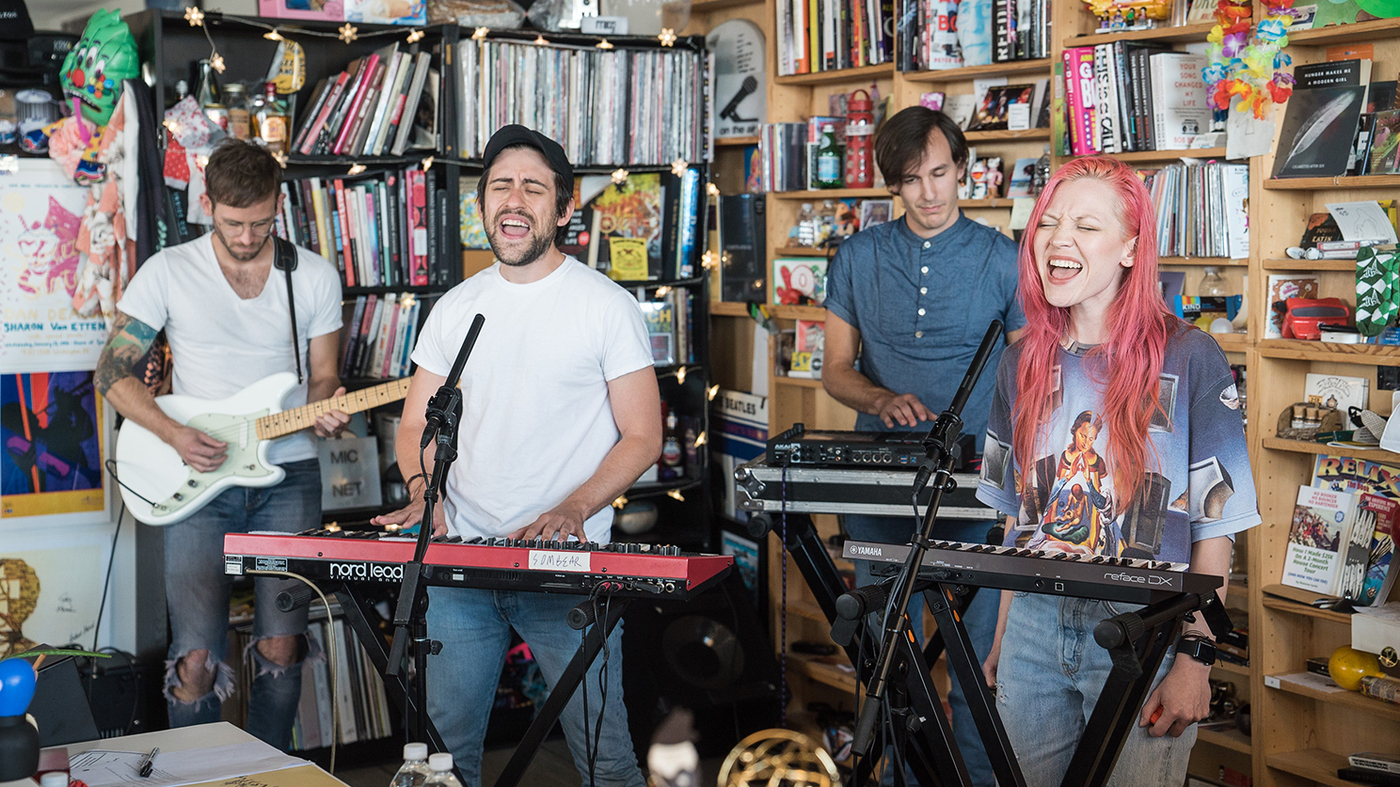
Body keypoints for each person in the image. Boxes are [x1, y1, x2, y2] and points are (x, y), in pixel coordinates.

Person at [373, 125, 659, 787]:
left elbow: (643, 434)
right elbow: (416, 419)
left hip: (567, 567)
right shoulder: (456, 308)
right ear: (483, 206)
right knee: (446, 763)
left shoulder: (607, 307)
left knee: (606, 759)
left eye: (534, 187)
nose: (514, 198)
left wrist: (574, 506)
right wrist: (424, 492)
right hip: (461, 568)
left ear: (564, 208)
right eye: (501, 185)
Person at [976, 156, 1260, 787]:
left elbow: (1217, 531)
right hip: (1033, 625)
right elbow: (1012, 523)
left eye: (1086, 225)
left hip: (1147, 631)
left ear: (1132, 248)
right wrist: (1003, 637)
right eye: (1048, 223)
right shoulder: (1017, 363)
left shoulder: (1192, 356)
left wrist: (1197, 659)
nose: (1059, 239)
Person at [95, 139, 349, 748]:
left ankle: (265, 765)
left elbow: (323, 376)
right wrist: (173, 433)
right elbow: (111, 374)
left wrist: (328, 406)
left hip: (288, 472)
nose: (246, 235)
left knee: (283, 642)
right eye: (234, 223)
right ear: (207, 204)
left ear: (278, 204)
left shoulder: (312, 274)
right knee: (196, 651)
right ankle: (197, 771)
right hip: (198, 479)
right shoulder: (169, 270)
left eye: (261, 221)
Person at [821, 106, 1025, 786]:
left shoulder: (1004, 257)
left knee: (975, 664)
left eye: (941, 173)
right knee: (890, 660)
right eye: (912, 180)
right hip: (880, 482)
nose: (930, 192)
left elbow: (1034, 371)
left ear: (963, 169)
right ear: (894, 186)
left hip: (981, 483)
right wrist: (878, 399)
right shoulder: (856, 256)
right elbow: (836, 367)